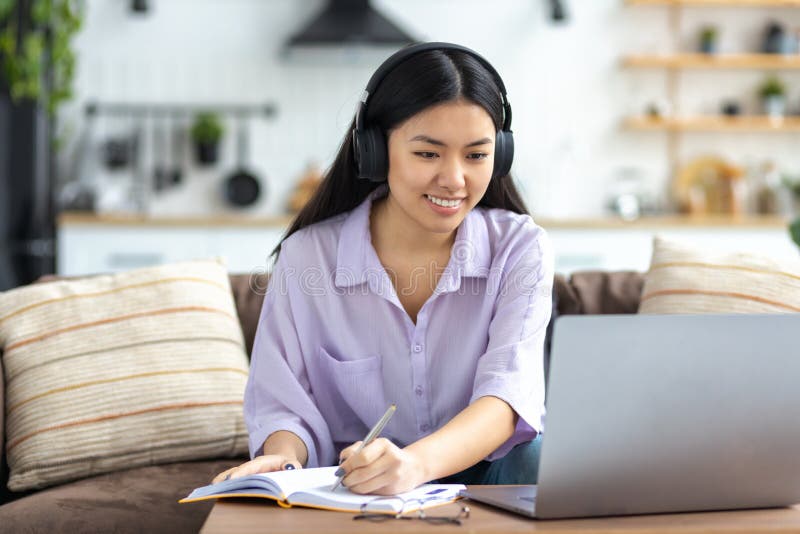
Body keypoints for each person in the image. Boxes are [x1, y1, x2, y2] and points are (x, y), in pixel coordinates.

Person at [213, 42, 553, 495]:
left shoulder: (520, 247)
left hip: (486, 476)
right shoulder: (307, 258)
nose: (455, 179)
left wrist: (413, 465)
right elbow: (284, 403)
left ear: (500, 153)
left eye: (476, 155)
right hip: (356, 484)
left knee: (537, 457)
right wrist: (284, 458)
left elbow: (508, 396)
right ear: (374, 151)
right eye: (428, 154)